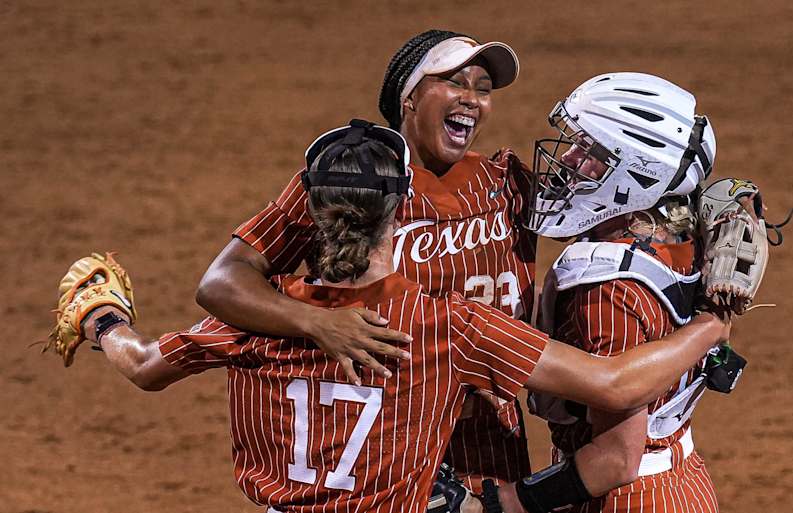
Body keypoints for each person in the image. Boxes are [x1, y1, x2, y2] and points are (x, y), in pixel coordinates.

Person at [59, 122, 731, 512]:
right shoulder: (447, 325)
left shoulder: (258, 317)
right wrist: (714, 320)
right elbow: (616, 384)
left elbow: (143, 366)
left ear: (308, 206)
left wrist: (104, 321)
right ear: (403, 204)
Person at [193, 30, 541, 490]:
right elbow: (221, 281)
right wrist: (315, 322)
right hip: (385, 443)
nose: (472, 99)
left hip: (487, 444)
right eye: (455, 82)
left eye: (483, 88)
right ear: (409, 98)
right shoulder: (351, 183)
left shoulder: (507, 182)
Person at [526, 73, 722, 513]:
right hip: (682, 478)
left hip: (621, 496)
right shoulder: (689, 239)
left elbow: (615, 458)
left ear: (636, 174)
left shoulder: (606, 285)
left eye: (590, 151)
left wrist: (507, 502)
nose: (568, 158)